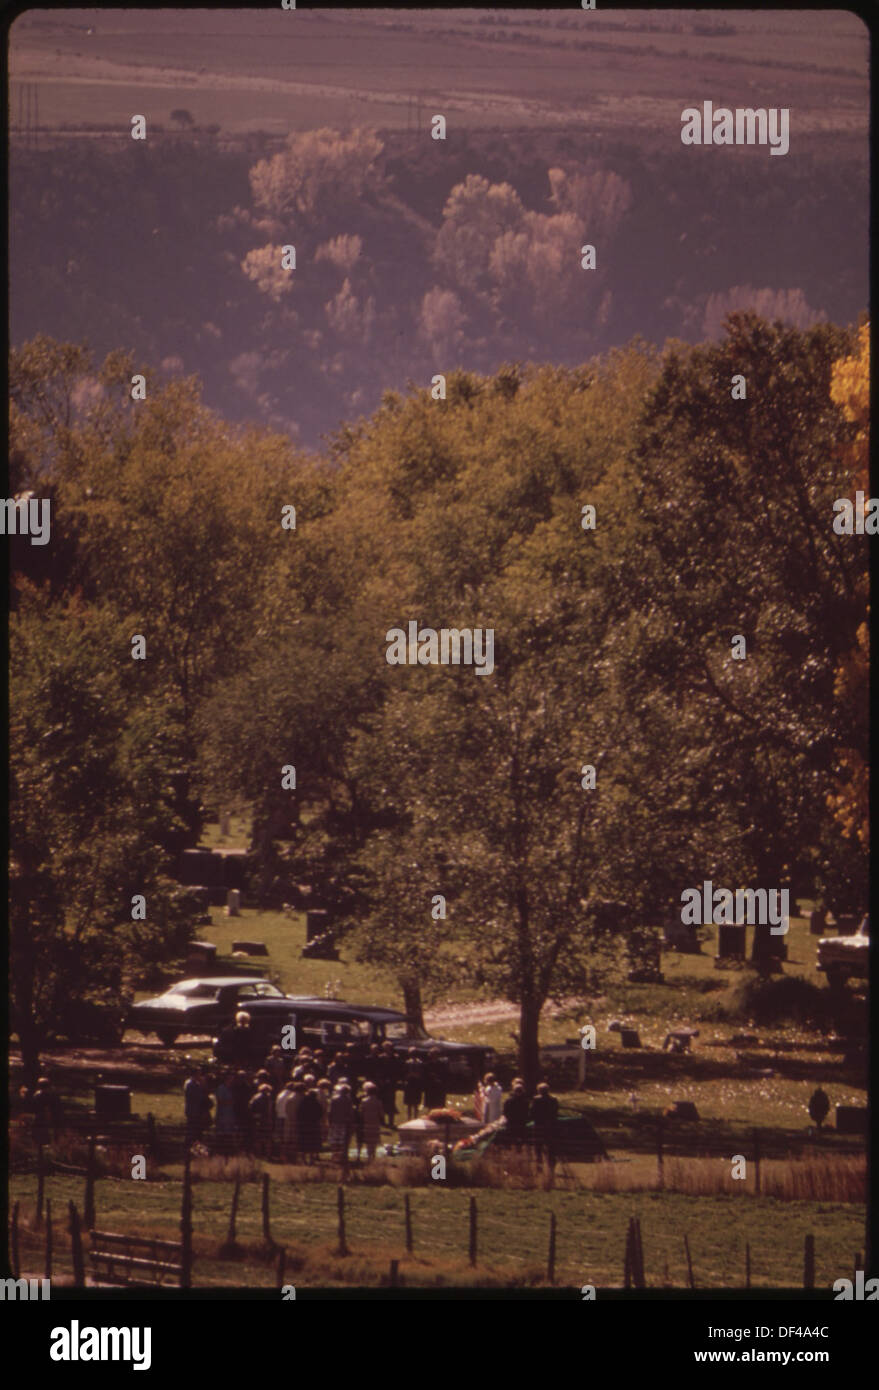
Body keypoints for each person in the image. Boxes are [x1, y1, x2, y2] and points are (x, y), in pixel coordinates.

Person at [529, 1081, 559, 1169]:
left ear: (539, 1091)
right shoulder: (553, 1099)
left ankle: (539, 1166)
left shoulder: (536, 1100)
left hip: (539, 1126)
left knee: (538, 1147)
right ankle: (551, 1166)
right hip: (551, 1126)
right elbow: (555, 1112)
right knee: (551, 1148)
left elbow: (532, 1113)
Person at [298, 1086, 324, 1164]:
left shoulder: (303, 1102)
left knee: (304, 1142)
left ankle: (303, 1159)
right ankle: (312, 1159)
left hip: (304, 1124)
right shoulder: (317, 1103)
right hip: (314, 1124)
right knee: (313, 1143)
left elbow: (299, 1113)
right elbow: (320, 1113)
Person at [329, 1083, 353, 1163]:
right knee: (343, 1141)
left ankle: (334, 1156)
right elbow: (350, 1112)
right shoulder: (348, 1100)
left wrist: (330, 1120)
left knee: (334, 1140)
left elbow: (330, 1111)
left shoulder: (334, 1099)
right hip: (344, 1122)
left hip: (335, 1121)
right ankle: (342, 1156)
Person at [502, 1079, 530, 1149]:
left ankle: (508, 1145)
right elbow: (527, 1112)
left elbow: (505, 1112)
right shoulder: (525, 1101)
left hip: (511, 1123)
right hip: (522, 1123)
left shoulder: (508, 1101)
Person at [248, 1082, 274, 1156]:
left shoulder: (255, 1097)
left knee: (258, 1137)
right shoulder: (268, 1098)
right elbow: (270, 1110)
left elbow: (250, 1107)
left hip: (257, 1119)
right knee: (267, 1137)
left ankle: (259, 1153)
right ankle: (267, 1153)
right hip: (266, 1119)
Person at [360, 1081, 384, 1162]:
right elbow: (381, 1114)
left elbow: (361, 1112)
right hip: (375, 1123)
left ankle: (369, 1154)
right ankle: (373, 1155)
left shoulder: (364, 1101)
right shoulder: (378, 1102)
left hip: (367, 1122)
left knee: (368, 1141)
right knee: (374, 1140)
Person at [214, 1071, 236, 1147]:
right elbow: (220, 1101)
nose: (231, 1080)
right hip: (222, 1113)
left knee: (229, 1131)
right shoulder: (221, 1088)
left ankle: (227, 1148)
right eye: (230, 1079)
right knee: (221, 1131)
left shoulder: (231, 1088)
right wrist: (230, 1102)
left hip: (230, 1113)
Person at [403, 1049, 424, 1119]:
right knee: (409, 1103)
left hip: (417, 1084)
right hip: (409, 1083)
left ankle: (415, 1117)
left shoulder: (420, 1063)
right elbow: (404, 1073)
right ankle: (409, 1117)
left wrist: (416, 1075)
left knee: (416, 1103)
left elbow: (421, 1074)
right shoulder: (407, 1062)